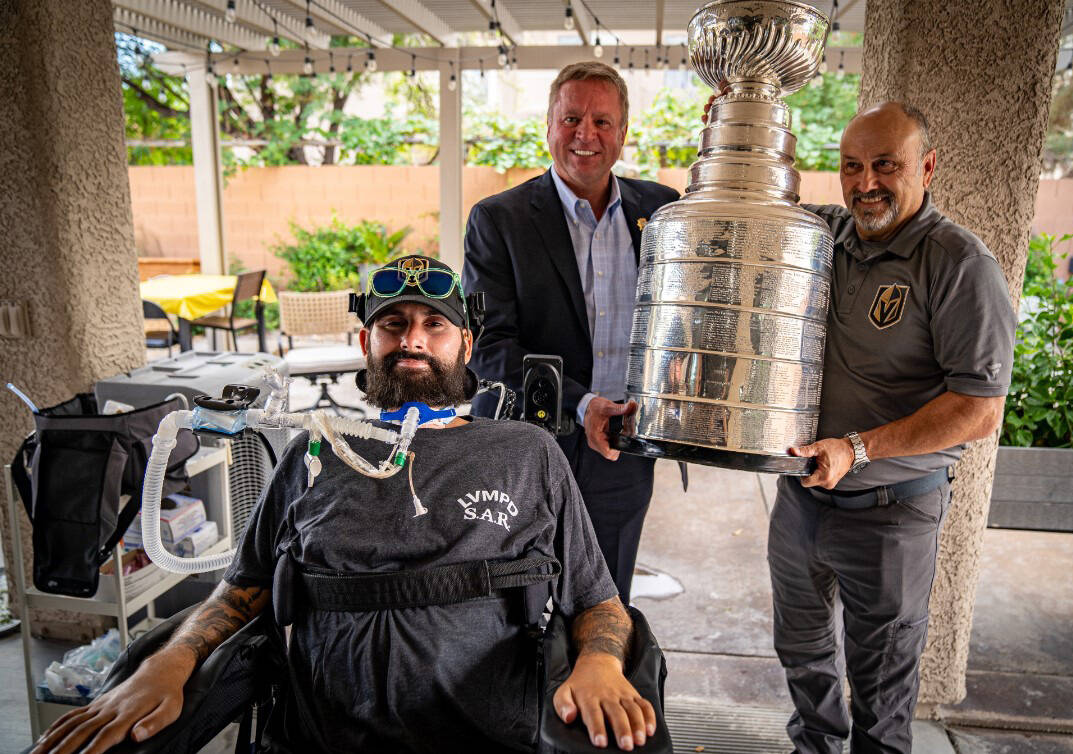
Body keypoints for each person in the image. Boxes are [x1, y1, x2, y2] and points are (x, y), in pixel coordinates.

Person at [32, 255, 657, 754]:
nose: (412, 340)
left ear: (465, 344)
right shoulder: (314, 452)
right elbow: (241, 591)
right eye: (393, 324)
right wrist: (169, 661)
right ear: (366, 340)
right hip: (322, 733)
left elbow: (596, 599)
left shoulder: (525, 453)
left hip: (487, 733)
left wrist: (600, 662)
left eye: (433, 325)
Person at [704, 98, 1016, 752]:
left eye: (884, 165)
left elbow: (978, 409)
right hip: (799, 498)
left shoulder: (958, 264)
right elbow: (738, 217)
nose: (864, 183)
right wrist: (731, 131)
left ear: (926, 167)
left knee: (880, 687)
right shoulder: (823, 234)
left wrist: (856, 448)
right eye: (850, 166)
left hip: (890, 515)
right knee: (801, 650)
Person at [463, 62, 680, 604]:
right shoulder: (498, 219)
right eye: (572, 118)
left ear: (624, 133)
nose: (586, 135)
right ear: (549, 125)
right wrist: (582, 405)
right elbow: (487, 346)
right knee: (520, 603)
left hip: (625, 448)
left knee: (607, 600)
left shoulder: (663, 210)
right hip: (529, 446)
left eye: (603, 122)